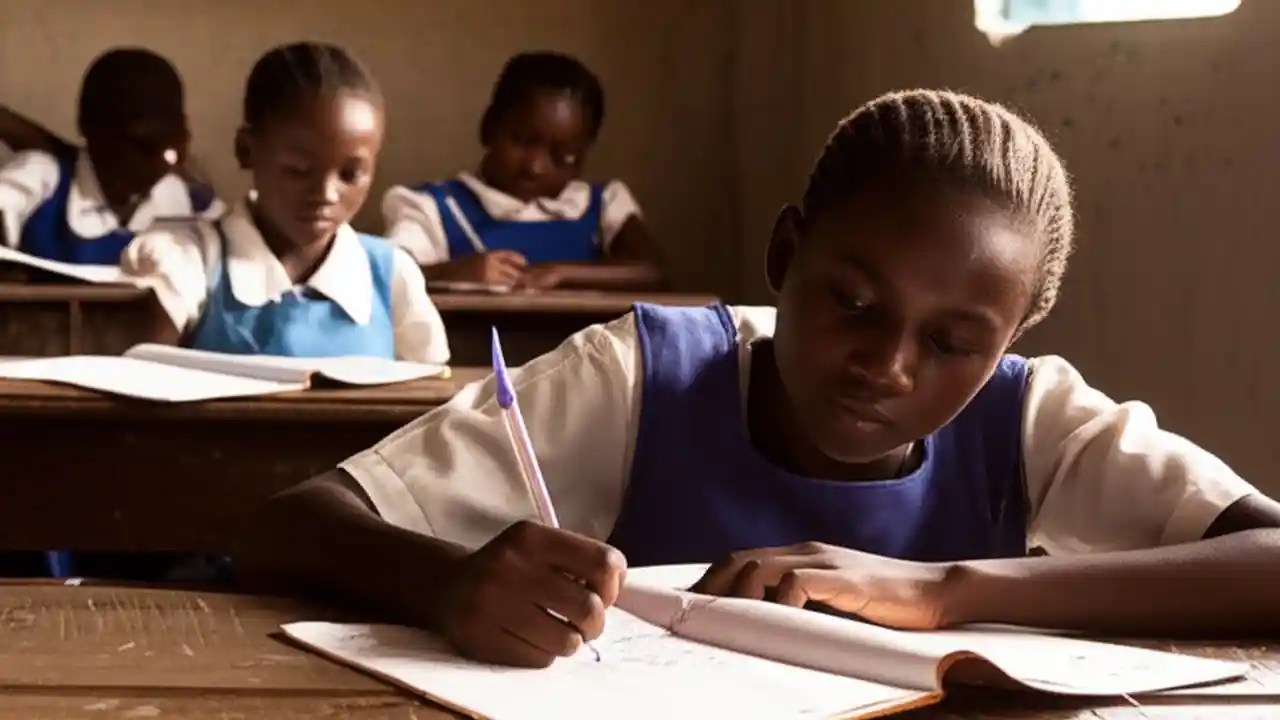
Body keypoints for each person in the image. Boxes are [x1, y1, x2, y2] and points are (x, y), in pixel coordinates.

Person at [237, 89, 1280, 668]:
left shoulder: (1031, 416)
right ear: (784, 259)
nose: (886, 364)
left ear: (1013, 332)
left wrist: (943, 590)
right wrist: (448, 582)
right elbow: (288, 523)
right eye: (852, 304)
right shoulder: (642, 376)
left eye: (954, 342)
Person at [123, 42, 449, 364]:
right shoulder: (190, 261)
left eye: (350, 174)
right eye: (299, 170)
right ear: (246, 150)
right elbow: (139, 386)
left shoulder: (391, 274)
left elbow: (438, 401)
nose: (326, 193)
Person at [382, 51, 663, 291]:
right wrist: (455, 273)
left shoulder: (603, 204)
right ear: (489, 127)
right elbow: (387, 278)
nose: (536, 167)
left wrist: (560, 273)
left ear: (580, 160)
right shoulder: (433, 206)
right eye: (522, 141)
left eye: (562, 156)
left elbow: (652, 271)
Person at [0, 49, 222, 263]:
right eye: (140, 147)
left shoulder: (191, 205)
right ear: (89, 128)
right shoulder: (43, 179)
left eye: (168, 149)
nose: (156, 165)